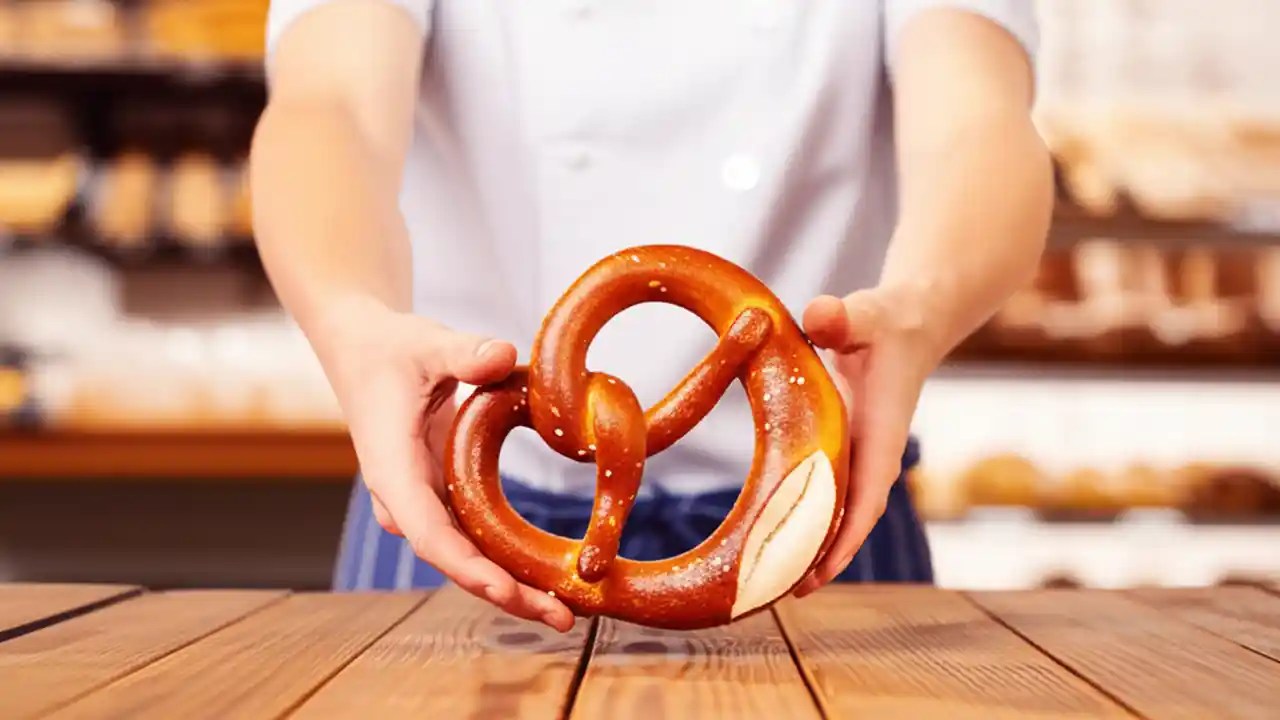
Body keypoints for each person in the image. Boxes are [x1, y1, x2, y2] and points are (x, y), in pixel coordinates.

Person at [252, 0, 1052, 631]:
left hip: (818, 515)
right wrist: (353, 319)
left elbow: (978, 122)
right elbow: (331, 108)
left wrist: (920, 305)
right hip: (455, 507)